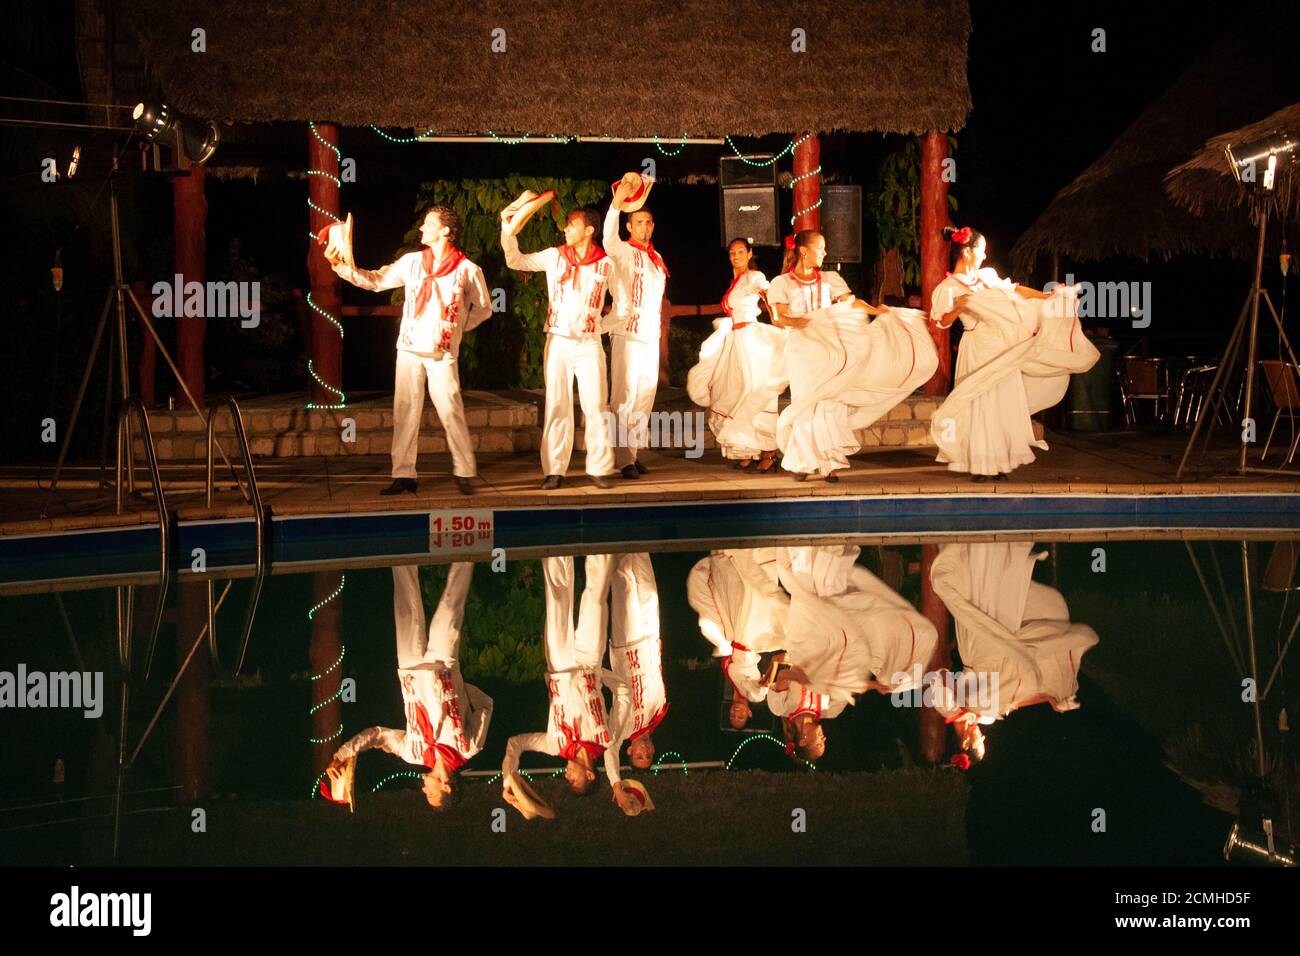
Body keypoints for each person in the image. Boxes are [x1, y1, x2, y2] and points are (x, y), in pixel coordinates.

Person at [325, 206, 490, 496]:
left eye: (428, 224)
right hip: (410, 348)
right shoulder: (412, 262)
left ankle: (465, 471)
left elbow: (484, 308)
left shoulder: (468, 270)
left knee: (450, 410)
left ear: (445, 231)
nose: (422, 228)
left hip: (442, 353)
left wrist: (456, 329)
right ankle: (404, 475)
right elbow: (376, 281)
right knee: (405, 412)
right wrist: (343, 268)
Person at [929, 225, 1099, 480]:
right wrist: (959, 307)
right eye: (981, 250)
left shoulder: (987, 276)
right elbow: (940, 321)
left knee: (1000, 402)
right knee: (980, 403)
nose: (984, 256)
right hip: (976, 346)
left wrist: (1046, 296)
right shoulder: (949, 287)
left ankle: (998, 463)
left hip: (1000, 345)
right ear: (967, 252)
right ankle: (980, 464)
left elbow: (1016, 290)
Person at [322, 563, 490, 811]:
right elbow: (486, 704)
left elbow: (378, 735)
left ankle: (401, 539)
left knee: (405, 600)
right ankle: (468, 543)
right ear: (446, 786)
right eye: (430, 794)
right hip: (443, 664)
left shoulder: (414, 754)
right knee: (451, 604)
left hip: (410, 670)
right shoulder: (470, 747)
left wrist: (344, 752)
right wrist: (459, 687)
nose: (424, 789)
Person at [770, 231, 935, 481]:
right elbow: (779, 316)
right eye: (821, 248)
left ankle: (829, 462)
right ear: (804, 251)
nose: (825, 252)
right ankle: (802, 462)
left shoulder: (830, 279)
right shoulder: (781, 283)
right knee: (806, 402)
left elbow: (851, 303)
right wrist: (801, 321)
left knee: (830, 402)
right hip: (802, 350)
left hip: (830, 349)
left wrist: (876, 310)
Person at [926, 541, 1100, 762]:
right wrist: (1048, 698)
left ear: (967, 742)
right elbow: (1015, 700)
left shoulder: (949, 709)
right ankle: (1005, 550)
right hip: (1003, 657)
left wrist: (959, 701)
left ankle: (982, 547)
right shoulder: (987, 718)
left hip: (979, 651)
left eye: (980, 742)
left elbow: (939, 676)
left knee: (983, 597)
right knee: (1005, 602)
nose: (984, 739)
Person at [501, 555, 647, 815]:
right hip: (590, 659)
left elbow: (516, 743)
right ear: (590, 775)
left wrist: (508, 778)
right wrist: (599, 674)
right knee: (595, 592)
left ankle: (555, 532)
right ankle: (600, 529)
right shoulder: (607, 739)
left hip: (559, 662)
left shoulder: (555, 745)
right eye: (574, 781)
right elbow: (624, 694)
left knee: (557, 595)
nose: (567, 776)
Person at [771, 545, 937, 762]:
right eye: (824, 742)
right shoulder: (831, 710)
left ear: (802, 740)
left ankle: (801, 548)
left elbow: (783, 677)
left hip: (806, 646)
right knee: (834, 597)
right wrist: (875, 685)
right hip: (832, 646)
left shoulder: (781, 707)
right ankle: (830, 546)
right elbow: (845, 682)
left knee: (806, 595)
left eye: (818, 742)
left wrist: (809, 679)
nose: (824, 738)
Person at [501, 199, 616, 490]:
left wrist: (600, 327)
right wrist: (508, 231)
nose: (565, 229)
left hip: (589, 344)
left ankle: (599, 467)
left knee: (595, 404)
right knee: (557, 404)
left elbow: (624, 304)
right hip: (558, 341)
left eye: (572, 224)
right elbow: (516, 260)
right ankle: (554, 469)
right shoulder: (554, 256)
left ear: (588, 230)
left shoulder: (605, 264)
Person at [687, 238, 787, 474]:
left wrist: (774, 309)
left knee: (756, 391)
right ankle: (748, 450)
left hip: (750, 339)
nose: (736, 256)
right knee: (734, 393)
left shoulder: (753, 276)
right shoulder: (736, 281)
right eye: (732, 253)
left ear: (749, 253)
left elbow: (764, 289)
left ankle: (768, 453)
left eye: (741, 252)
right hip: (736, 340)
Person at [603, 174, 669, 479]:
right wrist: (617, 206)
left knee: (645, 394)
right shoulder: (621, 250)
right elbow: (607, 237)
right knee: (624, 396)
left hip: (649, 333)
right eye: (639, 222)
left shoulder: (656, 257)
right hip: (627, 330)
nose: (645, 226)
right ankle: (623, 458)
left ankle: (633, 452)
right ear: (629, 226)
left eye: (649, 222)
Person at [687, 547, 789, 727]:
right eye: (741, 717)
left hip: (735, 636)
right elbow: (766, 683)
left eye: (732, 717)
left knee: (733, 592)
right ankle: (756, 551)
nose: (735, 714)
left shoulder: (732, 684)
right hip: (749, 639)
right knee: (755, 597)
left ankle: (730, 551)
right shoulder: (756, 696)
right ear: (749, 713)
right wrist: (775, 662)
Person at [607, 552, 668, 768]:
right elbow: (656, 679)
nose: (645, 752)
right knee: (648, 590)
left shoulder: (621, 729)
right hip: (649, 643)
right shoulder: (657, 715)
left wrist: (616, 783)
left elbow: (609, 749)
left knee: (625, 581)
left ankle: (615, 533)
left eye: (639, 756)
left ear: (630, 751)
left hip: (627, 647)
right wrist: (657, 654)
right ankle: (640, 534)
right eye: (648, 756)